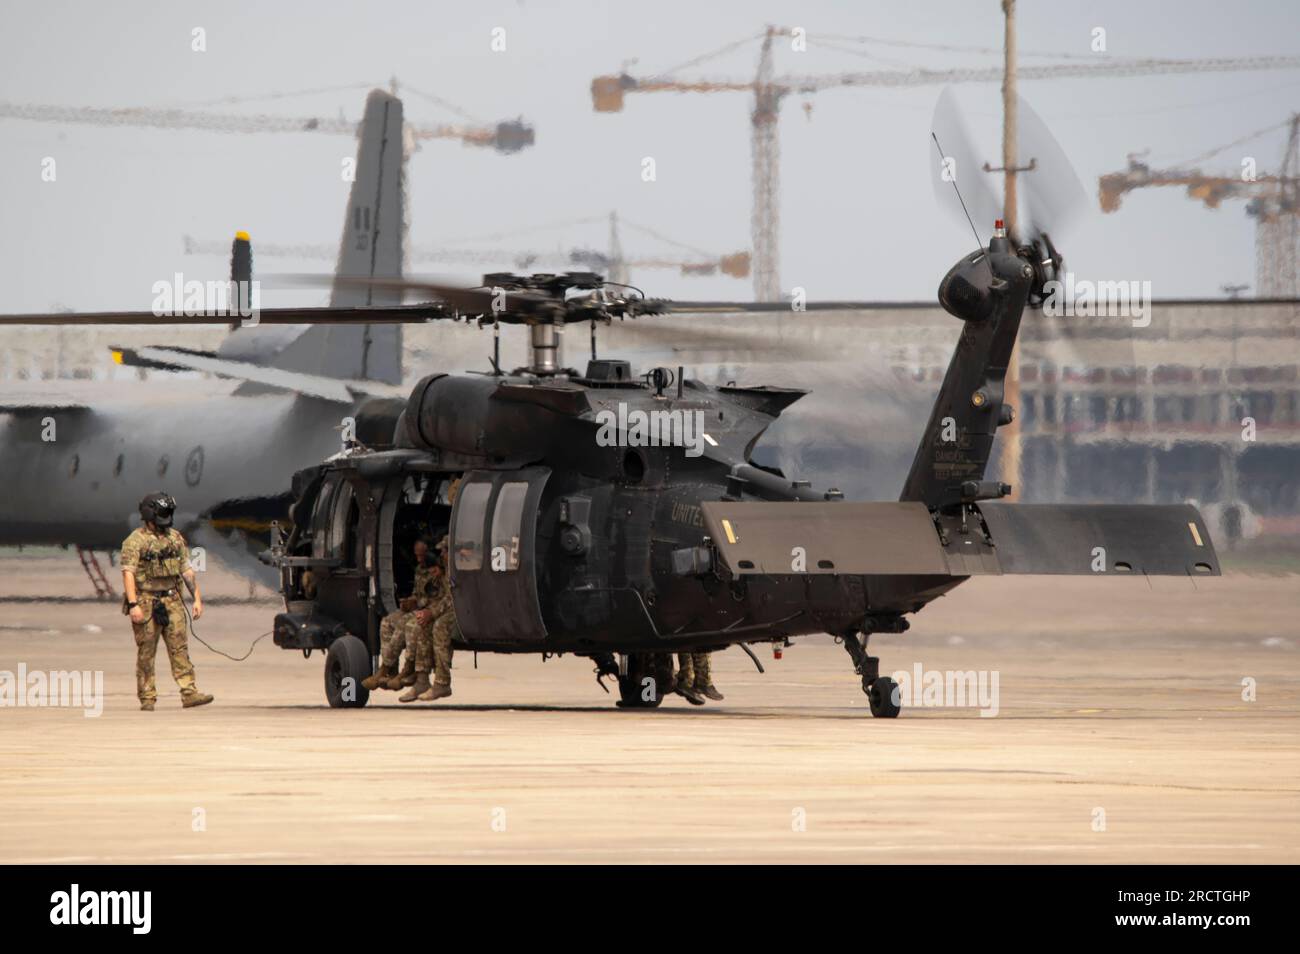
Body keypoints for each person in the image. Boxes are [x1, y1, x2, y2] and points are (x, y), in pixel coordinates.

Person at [120, 492, 214, 711]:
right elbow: (128, 574)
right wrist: (133, 605)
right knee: (146, 652)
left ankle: (189, 692)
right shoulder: (135, 541)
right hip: (146, 601)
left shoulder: (175, 538)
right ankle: (147, 697)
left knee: (179, 648)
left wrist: (197, 599)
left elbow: (187, 571)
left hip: (172, 600)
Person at [362, 538, 435, 692]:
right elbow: (417, 593)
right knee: (387, 623)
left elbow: (435, 598)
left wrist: (417, 603)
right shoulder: (419, 570)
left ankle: (391, 668)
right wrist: (408, 602)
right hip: (416, 608)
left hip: (429, 611)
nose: (419, 559)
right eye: (417, 556)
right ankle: (391, 670)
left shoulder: (436, 571)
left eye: (422, 556)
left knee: (404, 624)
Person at [402, 534, 456, 702]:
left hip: (460, 610)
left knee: (439, 626)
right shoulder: (442, 570)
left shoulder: (458, 570)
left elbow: (451, 598)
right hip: (447, 608)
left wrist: (431, 612)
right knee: (423, 625)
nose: (441, 555)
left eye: (445, 551)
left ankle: (442, 682)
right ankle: (422, 680)